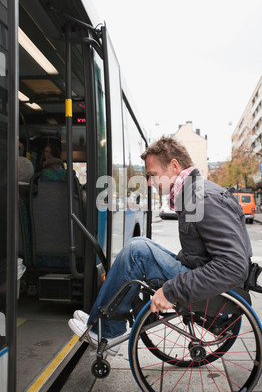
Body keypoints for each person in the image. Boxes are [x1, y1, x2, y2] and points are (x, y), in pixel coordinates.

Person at [68, 136, 252, 355]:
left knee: (137, 252)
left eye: (152, 175)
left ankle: (108, 330)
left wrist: (172, 289)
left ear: (174, 166)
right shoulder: (193, 194)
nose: (148, 182)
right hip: (203, 274)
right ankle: (101, 320)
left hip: (219, 294)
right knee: (139, 244)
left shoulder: (203, 198)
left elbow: (233, 266)